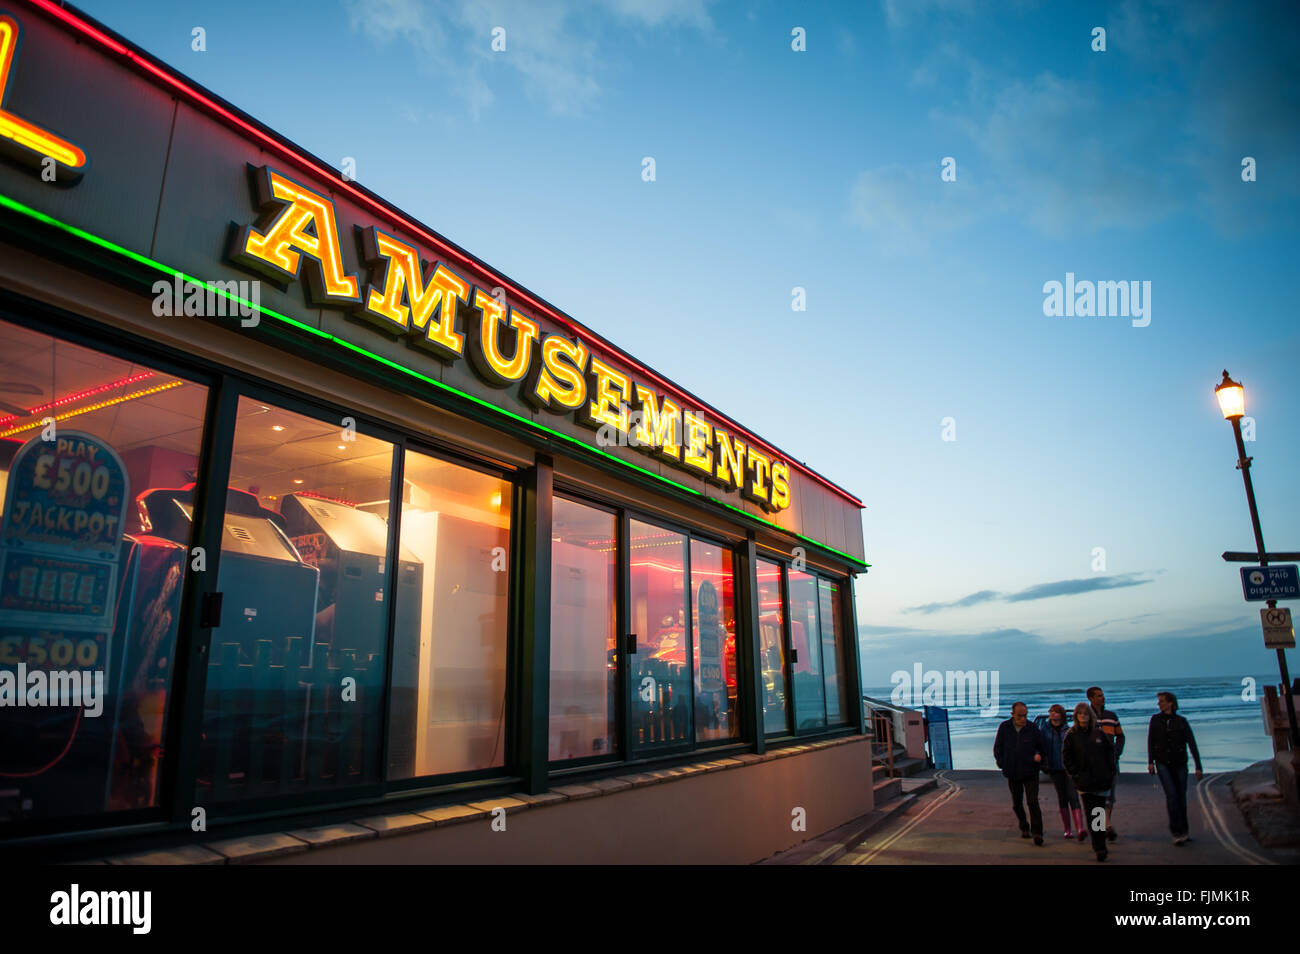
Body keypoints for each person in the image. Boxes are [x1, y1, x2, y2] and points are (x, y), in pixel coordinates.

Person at [1148, 691, 1203, 845]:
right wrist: (1150, 761)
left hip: (1180, 763)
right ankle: (1176, 832)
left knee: (1181, 797)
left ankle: (1184, 830)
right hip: (1162, 762)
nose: (1159, 704)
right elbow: (1150, 740)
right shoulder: (1155, 720)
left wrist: (1198, 766)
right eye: (1159, 701)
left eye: (1162, 701)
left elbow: (1192, 743)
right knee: (1172, 796)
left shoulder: (1181, 721)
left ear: (1170, 703)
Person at [1063, 701, 1116, 861]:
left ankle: (1100, 846)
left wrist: (1110, 773)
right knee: (1090, 813)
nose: (1083, 716)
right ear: (1076, 716)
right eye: (1080, 714)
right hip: (1084, 782)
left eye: (1085, 714)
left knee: (1098, 813)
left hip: (1101, 780)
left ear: (1090, 716)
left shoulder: (1099, 734)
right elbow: (1067, 758)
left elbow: (1109, 754)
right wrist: (1075, 775)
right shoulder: (1071, 735)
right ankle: (1098, 844)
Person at [992, 701, 1047, 845]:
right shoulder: (1005, 727)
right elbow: (998, 748)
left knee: (1033, 802)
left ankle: (1037, 833)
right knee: (1017, 803)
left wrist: (1039, 757)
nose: (1023, 719)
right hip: (1013, 771)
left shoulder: (1033, 728)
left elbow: (1041, 748)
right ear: (1012, 715)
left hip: (1031, 772)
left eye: (1025, 716)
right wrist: (1003, 763)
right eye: (1019, 716)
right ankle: (1024, 826)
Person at [1037, 704, 1084, 840]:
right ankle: (1067, 830)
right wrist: (1042, 761)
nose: (1053, 714)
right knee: (1062, 797)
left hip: (1069, 768)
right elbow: (1040, 746)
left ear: (1062, 715)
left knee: (1073, 796)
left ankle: (1080, 828)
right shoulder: (1044, 730)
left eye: (1056, 712)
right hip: (1054, 768)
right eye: (1051, 711)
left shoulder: (1068, 730)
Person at [1087, 686, 1124, 841]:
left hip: (1110, 763)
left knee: (1109, 797)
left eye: (1103, 695)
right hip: (1093, 765)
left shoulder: (1111, 716)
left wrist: (1116, 752)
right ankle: (1101, 830)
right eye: (1099, 696)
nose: (1102, 698)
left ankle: (1105, 826)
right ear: (1091, 698)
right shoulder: (1085, 717)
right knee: (1097, 797)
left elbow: (1121, 736)